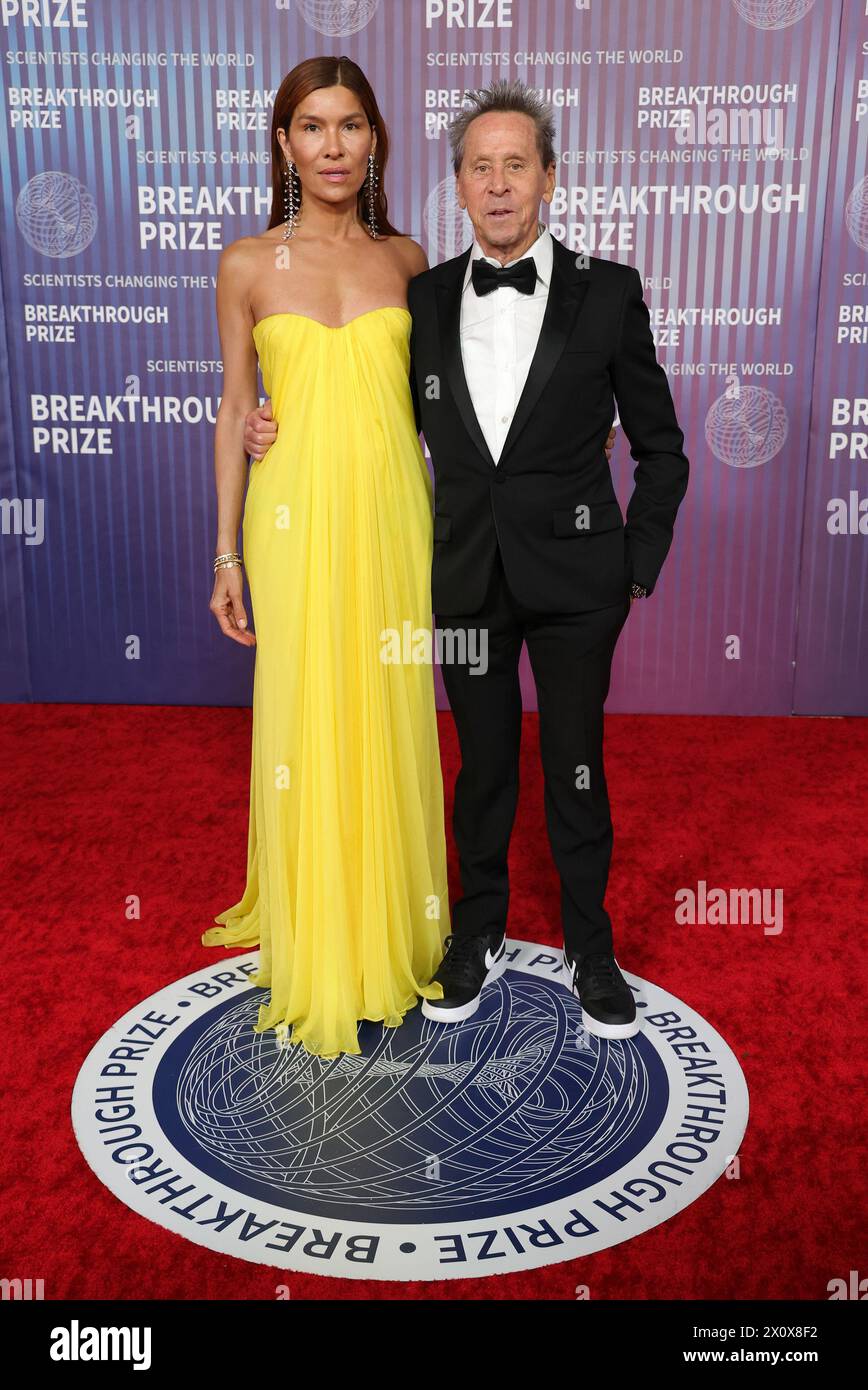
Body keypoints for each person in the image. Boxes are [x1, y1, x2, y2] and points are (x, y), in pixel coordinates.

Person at [243, 79, 651, 1042]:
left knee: (574, 760)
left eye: (517, 165)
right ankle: (477, 930)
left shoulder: (592, 289)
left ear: (549, 178)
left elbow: (639, 434)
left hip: (546, 572)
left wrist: (630, 545)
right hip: (454, 569)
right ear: (457, 184)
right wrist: (274, 425)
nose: (499, 184)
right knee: (479, 765)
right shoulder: (423, 289)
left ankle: (594, 948)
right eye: (480, 167)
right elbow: (357, 394)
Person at [203, 56, 452, 1059]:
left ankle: (392, 917)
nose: (334, 145)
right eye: (313, 126)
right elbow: (234, 409)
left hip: (394, 511)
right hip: (292, 514)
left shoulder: (412, 261)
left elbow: (444, 405)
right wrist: (224, 551)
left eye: (350, 125)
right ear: (284, 144)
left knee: (386, 704)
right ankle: (317, 931)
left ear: (376, 140)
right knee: (309, 705)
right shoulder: (247, 263)